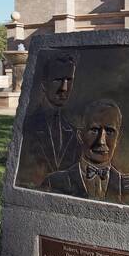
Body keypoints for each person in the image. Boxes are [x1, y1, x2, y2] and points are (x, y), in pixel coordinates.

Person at [44, 98, 129, 204]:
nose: (101, 141)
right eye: (94, 130)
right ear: (80, 136)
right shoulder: (53, 183)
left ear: (118, 139)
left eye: (110, 131)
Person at [18, 54, 80, 187]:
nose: (64, 88)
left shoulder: (73, 133)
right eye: (57, 80)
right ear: (44, 85)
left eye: (69, 80)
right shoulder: (28, 126)